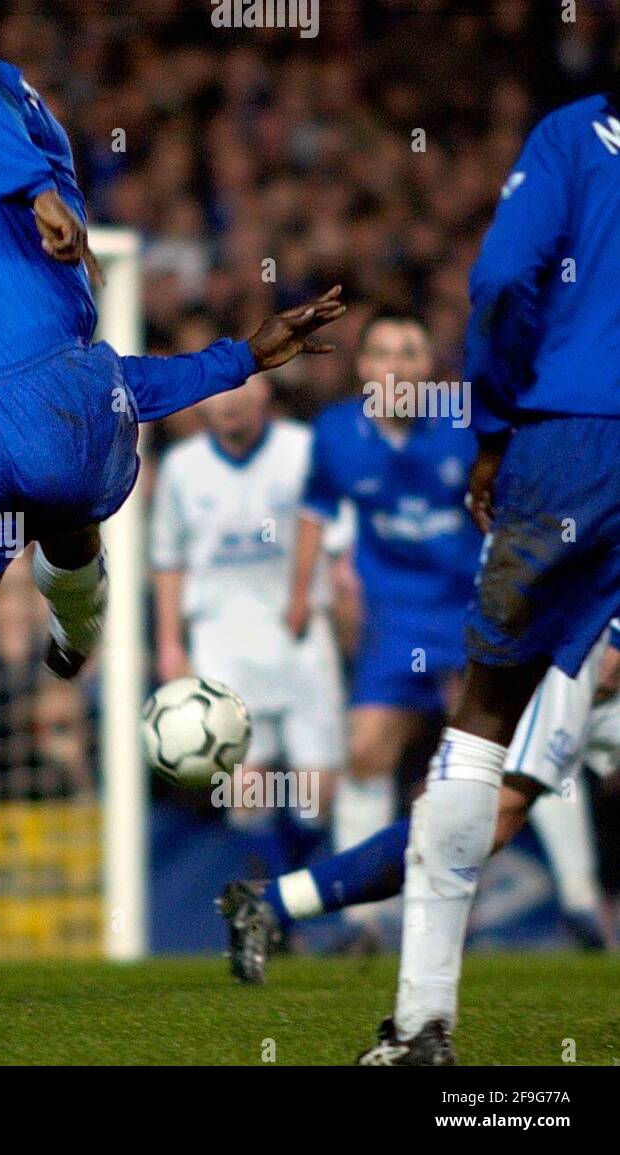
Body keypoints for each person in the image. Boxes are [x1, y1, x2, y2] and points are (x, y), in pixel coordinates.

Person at [0, 58, 344, 1016]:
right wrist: (245, 355)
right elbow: (126, 379)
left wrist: (40, 186)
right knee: (72, 487)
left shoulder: (18, 165)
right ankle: (79, 621)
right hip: (68, 413)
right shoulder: (49, 213)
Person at [357, 85, 620, 1065]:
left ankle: (422, 1023)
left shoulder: (569, 135)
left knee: (482, 724)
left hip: (570, 446)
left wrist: (495, 426)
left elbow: (505, 276)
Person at [219, 620, 620, 983]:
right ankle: (283, 906)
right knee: (478, 816)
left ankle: (277, 904)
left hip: (572, 643)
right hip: (561, 644)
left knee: (485, 811)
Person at [287, 307, 483, 927]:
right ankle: (357, 922)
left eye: (410, 353)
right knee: (366, 750)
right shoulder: (336, 432)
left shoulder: (465, 425)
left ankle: (573, 904)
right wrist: (300, 594)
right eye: (384, 354)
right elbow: (315, 511)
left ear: (430, 367)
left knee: (480, 758)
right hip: (394, 617)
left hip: (468, 610)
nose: (397, 367)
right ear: (364, 366)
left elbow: (503, 508)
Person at [150, 374, 344, 856]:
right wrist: (171, 644)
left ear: (265, 393)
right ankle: (271, 909)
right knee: (246, 789)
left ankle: (285, 895)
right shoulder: (181, 467)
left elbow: (337, 539)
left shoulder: (303, 449)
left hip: (298, 630)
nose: (231, 397)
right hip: (223, 638)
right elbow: (168, 561)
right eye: (218, 388)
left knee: (317, 793)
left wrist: (334, 596)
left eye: (243, 385)